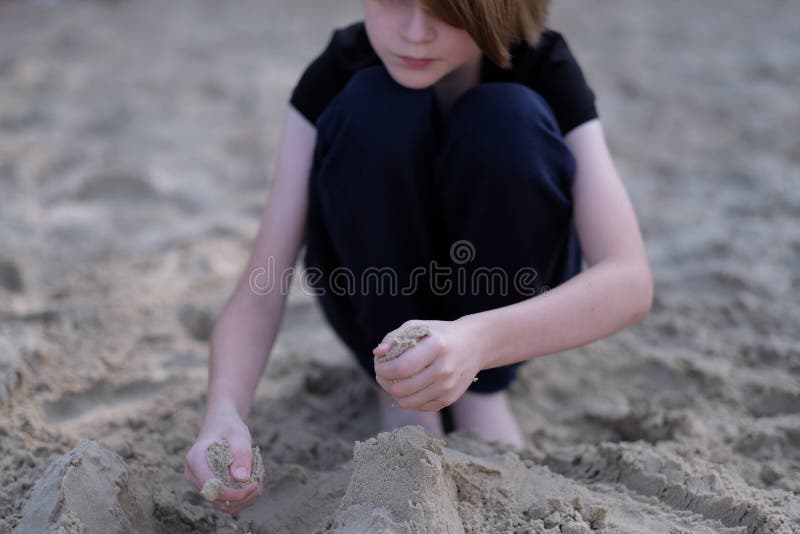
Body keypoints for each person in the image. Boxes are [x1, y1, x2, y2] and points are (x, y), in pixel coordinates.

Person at [185, 0, 653, 516]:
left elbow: (629, 279)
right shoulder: (337, 70)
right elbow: (260, 288)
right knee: (371, 106)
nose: (415, 32)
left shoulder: (545, 67)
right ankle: (402, 393)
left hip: (505, 302)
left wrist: (478, 340)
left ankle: (482, 395)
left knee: (507, 118)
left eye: (445, 9)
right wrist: (224, 412)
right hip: (373, 298)